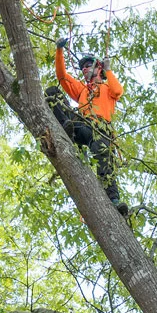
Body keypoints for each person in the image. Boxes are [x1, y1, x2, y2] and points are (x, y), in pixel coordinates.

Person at [46, 46, 130, 216]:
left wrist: (108, 70)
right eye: (82, 67)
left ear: (98, 67)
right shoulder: (83, 90)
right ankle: (67, 129)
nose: (84, 69)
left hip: (101, 128)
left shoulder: (107, 88)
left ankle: (113, 199)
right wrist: (59, 51)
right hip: (82, 124)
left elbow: (117, 91)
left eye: (88, 65)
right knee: (52, 92)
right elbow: (62, 77)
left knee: (105, 160)